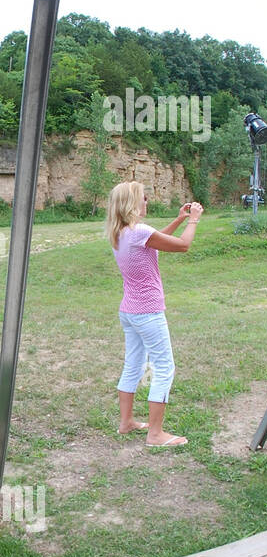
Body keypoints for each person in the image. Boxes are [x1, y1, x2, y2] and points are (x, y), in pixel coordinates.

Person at [108, 180, 200, 449]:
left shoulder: (121, 232)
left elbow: (156, 241)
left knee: (134, 365)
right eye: (143, 198)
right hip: (147, 312)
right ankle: (156, 434)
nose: (146, 201)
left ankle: (126, 423)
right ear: (131, 203)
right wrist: (193, 220)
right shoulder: (139, 232)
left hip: (129, 311)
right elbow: (182, 245)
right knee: (164, 368)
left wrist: (179, 218)